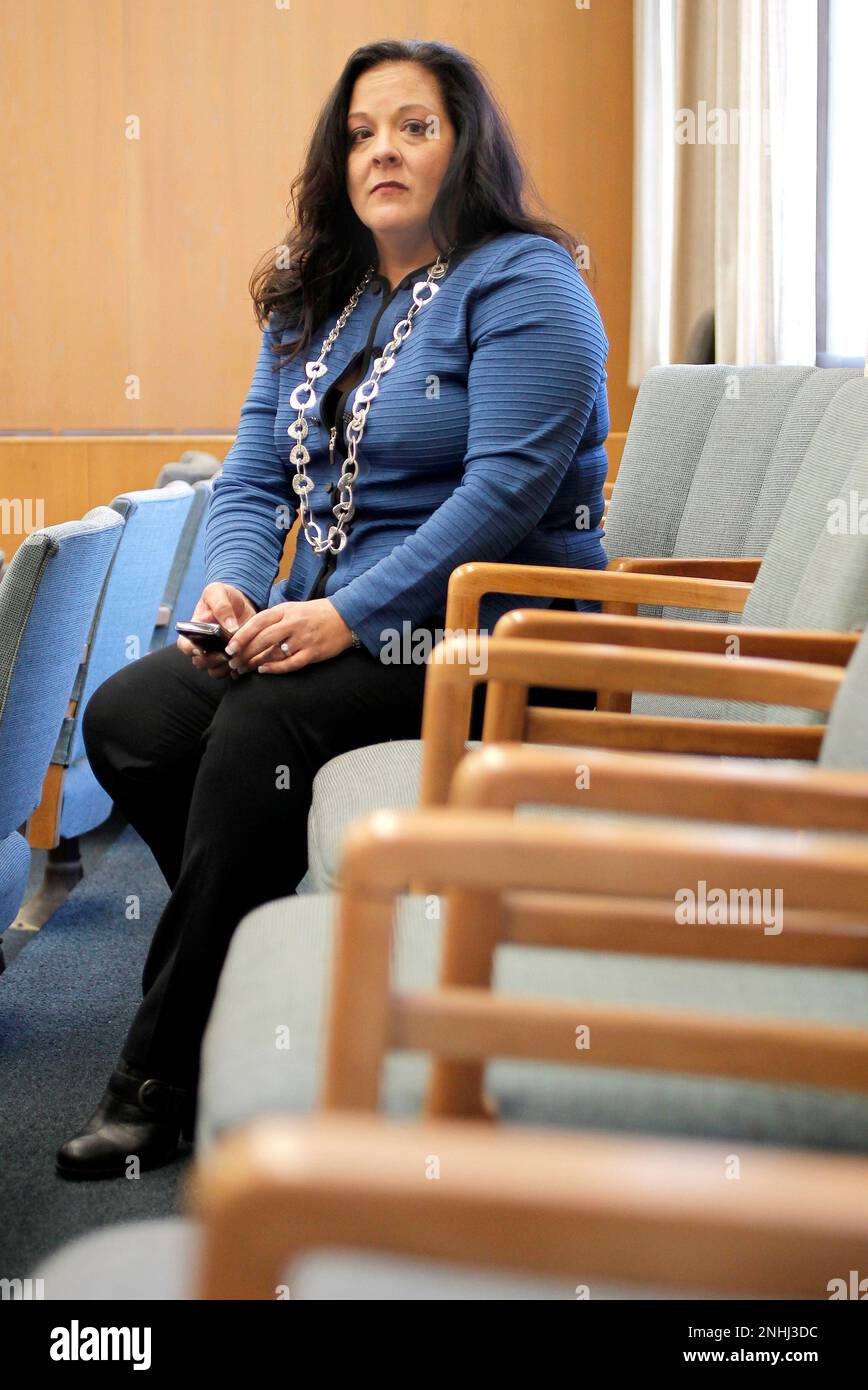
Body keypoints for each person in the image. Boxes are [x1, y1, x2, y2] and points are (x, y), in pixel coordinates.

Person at [56, 37, 610, 1178]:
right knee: (132, 717)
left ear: (466, 148)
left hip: (495, 629)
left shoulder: (528, 285)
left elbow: (502, 493)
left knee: (260, 726)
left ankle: (161, 1076)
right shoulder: (322, 295)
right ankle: (266, 961)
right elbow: (254, 474)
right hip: (340, 622)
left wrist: (346, 615)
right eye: (360, 133)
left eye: (414, 126)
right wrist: (235, 586)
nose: (383, 152)